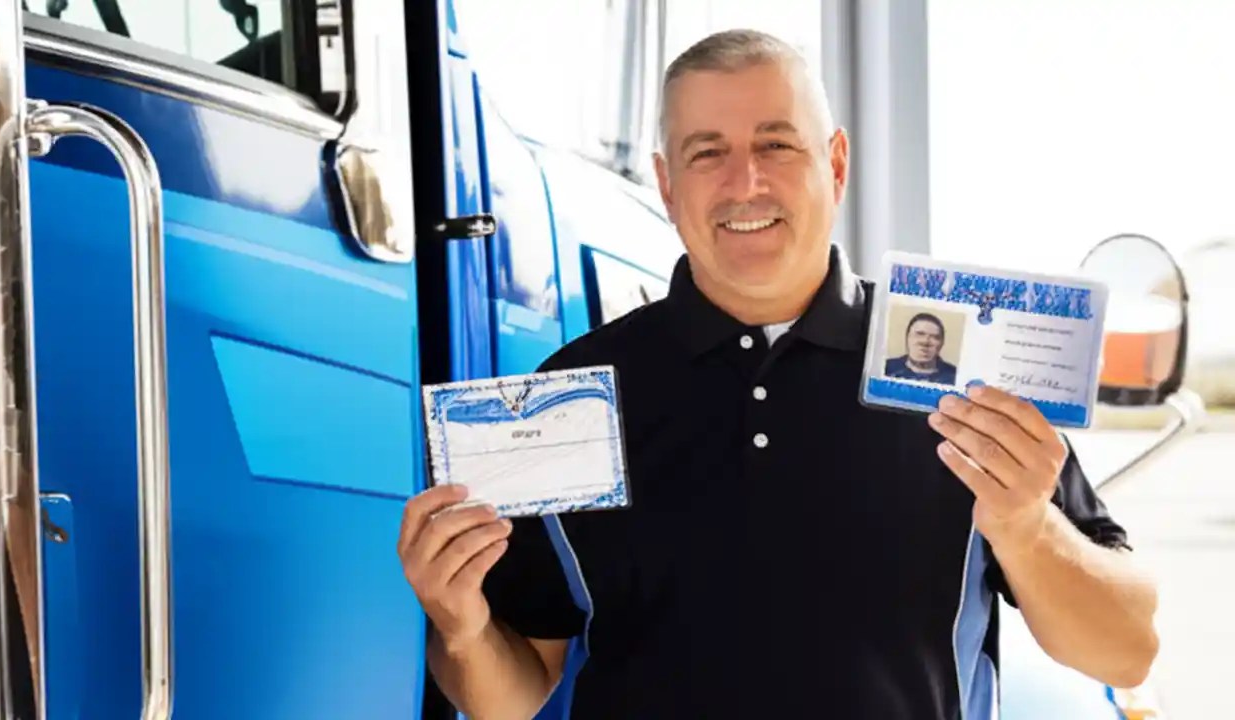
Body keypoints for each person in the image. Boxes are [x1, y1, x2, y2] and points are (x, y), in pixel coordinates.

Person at [397, 29, 1158, 719]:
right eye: (707, 153)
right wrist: (461, 628)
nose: (746, 182)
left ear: (836, 164)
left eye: (777, 145)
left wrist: (1026, 527)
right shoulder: (572, 397)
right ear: (667, 184)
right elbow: (512, 695)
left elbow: (1127, 651)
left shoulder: (965, 381)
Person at [885, 312, 959, 384]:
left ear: (941, 343)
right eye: (919, 334)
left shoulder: (955, 377)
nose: (925, 342)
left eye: (934, 337)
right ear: (907, 338)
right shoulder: (886, 368)